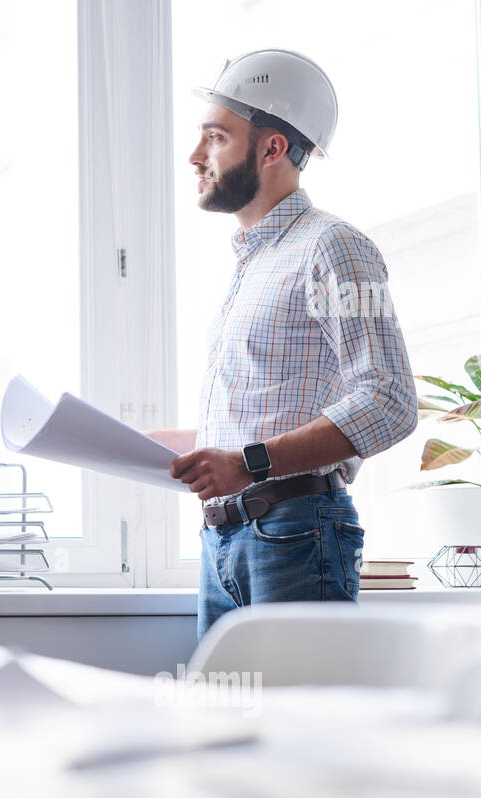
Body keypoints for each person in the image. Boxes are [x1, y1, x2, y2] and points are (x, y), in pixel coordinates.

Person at [148, 49, 418, 642]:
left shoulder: (334, 248)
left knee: (302, 729)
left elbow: (390, 401)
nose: (195, 156)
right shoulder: (255, 261)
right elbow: (264, 414)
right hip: (226, 539)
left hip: (293, 532)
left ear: (272, 148)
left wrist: (246, 465)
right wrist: (137, 446)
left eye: (215, 138)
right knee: (229, 729)